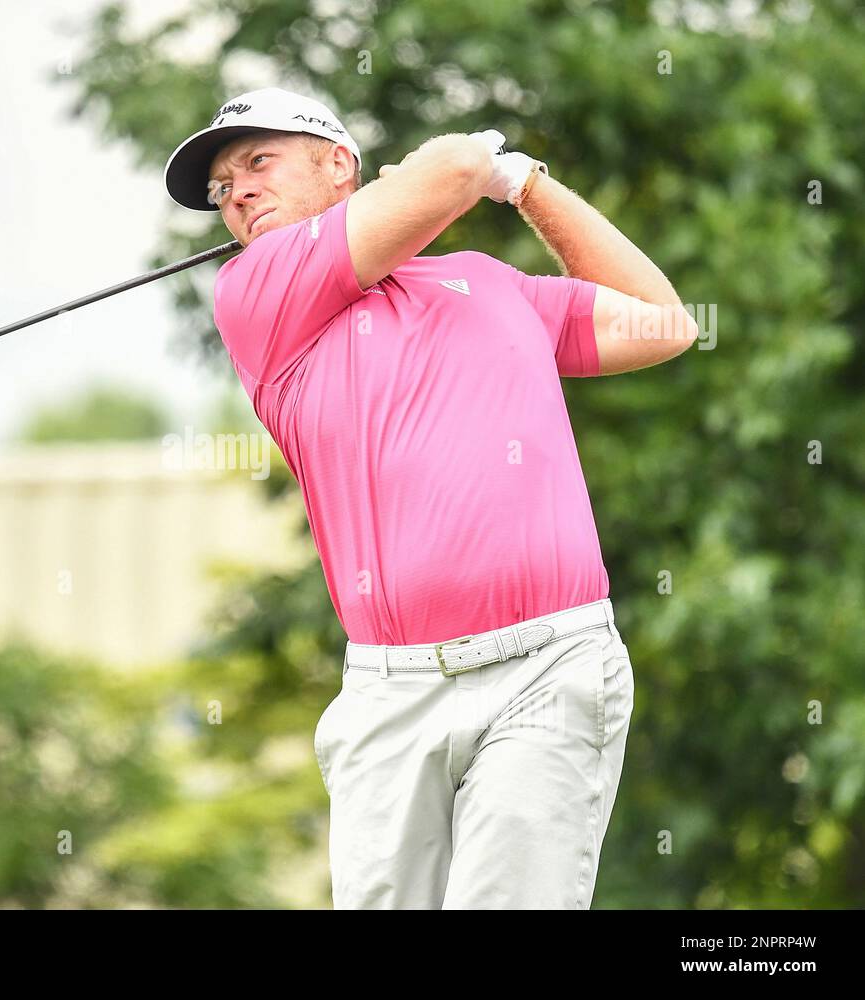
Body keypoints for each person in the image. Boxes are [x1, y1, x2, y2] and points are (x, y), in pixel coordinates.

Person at [164, 87, 697, 908]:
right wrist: (470, 167)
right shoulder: (258, 293)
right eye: (222, 187)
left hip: (549, 667)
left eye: (258, 162)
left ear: (338, 165)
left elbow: (666, 324)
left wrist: (526, 184)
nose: (236, 191)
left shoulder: (488, 284)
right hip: (392, 691)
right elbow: (452, 165)